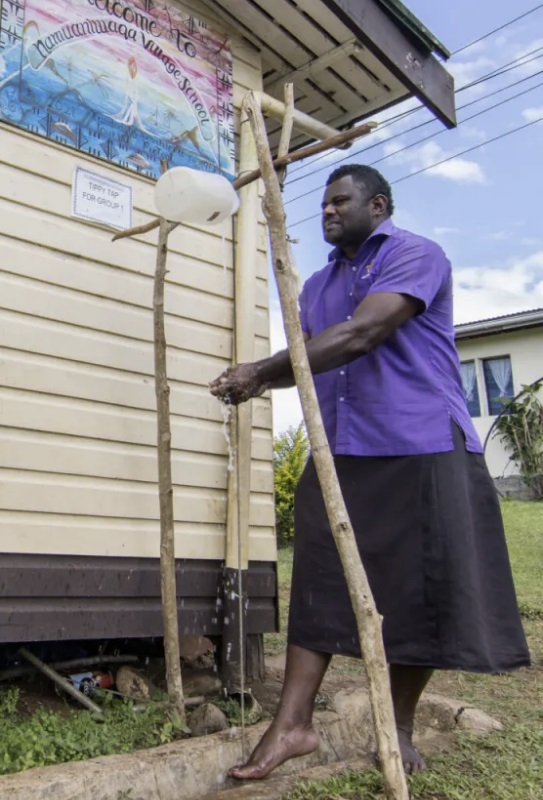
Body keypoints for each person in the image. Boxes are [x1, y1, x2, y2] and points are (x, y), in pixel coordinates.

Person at [209, 164, 530, 778]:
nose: (327, 211)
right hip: (340, 451)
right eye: (323, 204)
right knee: (320, 586)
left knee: (418, 593)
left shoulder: (416, 255)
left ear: (377, 205)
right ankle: (292, 726)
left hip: (422, 445)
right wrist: (265, 376)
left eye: (340, 201)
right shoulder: (314, 288)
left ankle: (399, 723)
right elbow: (312, 363)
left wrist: (257, 372)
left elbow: (362, 335)